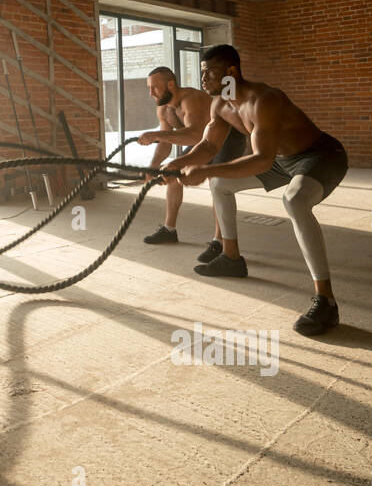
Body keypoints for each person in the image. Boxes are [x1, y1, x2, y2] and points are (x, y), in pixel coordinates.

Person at [166, 45, 349, 336]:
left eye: (209, 72)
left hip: (320, 155)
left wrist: (205, 170)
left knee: (295, 200)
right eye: (202, 73)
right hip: (280, 159)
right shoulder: (221, 105)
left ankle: (326, 301)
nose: (204, 80)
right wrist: (175, 163)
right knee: (220, 185)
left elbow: (261, 158)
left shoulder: (264, 99)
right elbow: (209, 146)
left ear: (231, 72)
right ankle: (231, 258)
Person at [136, 66, 247, 260]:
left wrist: (155, 134)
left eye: (154, 87)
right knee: (171, 172)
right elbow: (166, 143)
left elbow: (195, 133)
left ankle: (219, 242)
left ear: (171, 84)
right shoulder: (163, 108)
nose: (150, 93)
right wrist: (153, 165)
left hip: (228, 137)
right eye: (149, 88)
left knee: (217, 183)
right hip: (203, 142)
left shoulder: (191, 99)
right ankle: (169, 230)